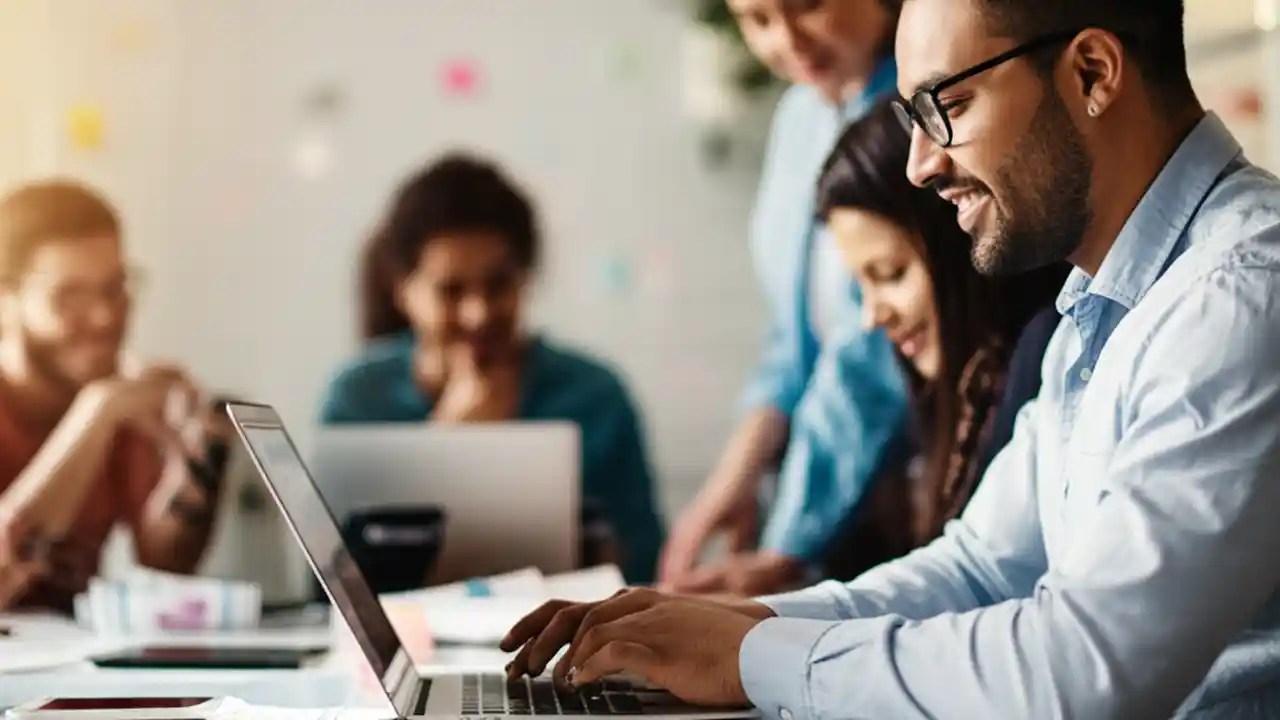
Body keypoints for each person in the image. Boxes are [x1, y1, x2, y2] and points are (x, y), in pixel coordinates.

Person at [499, 0, 1280, 716]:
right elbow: (978, 570)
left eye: (948, 106)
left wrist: (752, 656)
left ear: (1091, 73)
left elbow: (1080, 673)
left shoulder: (1239, 302)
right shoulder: (1101, 306)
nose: (919, 164)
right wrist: (720, 625)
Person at [660, 0, 911, 597]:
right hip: (823, 479)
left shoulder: (921, 112)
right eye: (757, 20)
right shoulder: (799, 117)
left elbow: (871, 357)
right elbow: (794, 335)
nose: (787, 41)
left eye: (806, 5)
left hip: (911, 482)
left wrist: (787, 544)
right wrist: (738, 473)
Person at [321, 155, 664, 585]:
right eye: (451, 290)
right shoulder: (357, 398)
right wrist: (449, 448)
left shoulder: (596, 395)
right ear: (404, 290)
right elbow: (328, 586)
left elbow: (644, 564)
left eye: (498, 285)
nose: (478, 313)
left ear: (525, 279)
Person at [0, 180, 225, 613]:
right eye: (69, 297)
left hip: (71, 665)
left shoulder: (121, 403)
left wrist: (195, 465)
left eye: (115, 288)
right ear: (7, 301)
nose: (105, 317)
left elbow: (166, 564)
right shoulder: (109, 403)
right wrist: (98, 412)